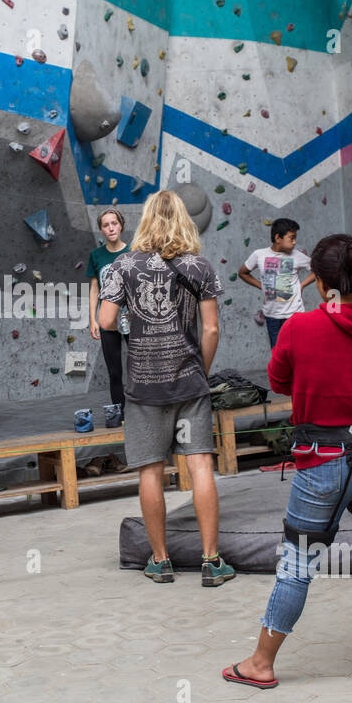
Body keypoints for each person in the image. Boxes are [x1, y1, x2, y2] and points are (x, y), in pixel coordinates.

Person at [225, 235, 352, 691]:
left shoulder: (299, 329)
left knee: (298, 563)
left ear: (320, 281)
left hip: (323, 460)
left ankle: (261, 663)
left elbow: (279, 380)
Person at [98, 189, 233, 587]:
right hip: (189, 383)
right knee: (201, 466)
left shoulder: (123, 266)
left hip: (143, 386)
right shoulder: (200, 266)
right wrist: (200, 372)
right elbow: (211, 328)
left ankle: (161, 561)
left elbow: (106, 320)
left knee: (150, 472)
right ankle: (212, 561)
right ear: (183, 219)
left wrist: (136, 327)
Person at [238, 218, 316, 350]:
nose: (294, 242)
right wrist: (260, 285)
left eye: (295, 238)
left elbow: (317, 270)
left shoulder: (297, 256)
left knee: (296, 352)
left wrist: (302, 285)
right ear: (278, 237)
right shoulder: (259, 255)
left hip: (294, 314)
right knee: (277, 353)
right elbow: (243, 273)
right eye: (291, 238)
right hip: (271, 315)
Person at [87, 208, 129, 409]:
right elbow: (95, 288)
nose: (111, 228)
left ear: (121, 225)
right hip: (107, 320)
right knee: (114, 371)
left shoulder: (134, 251)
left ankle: (143, 411)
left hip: (133, 318)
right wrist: (93, 319)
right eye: (106, 225)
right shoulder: (96, 255)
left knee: (140, 367)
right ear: (101, 230)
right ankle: (119, 413)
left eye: (114, 223)